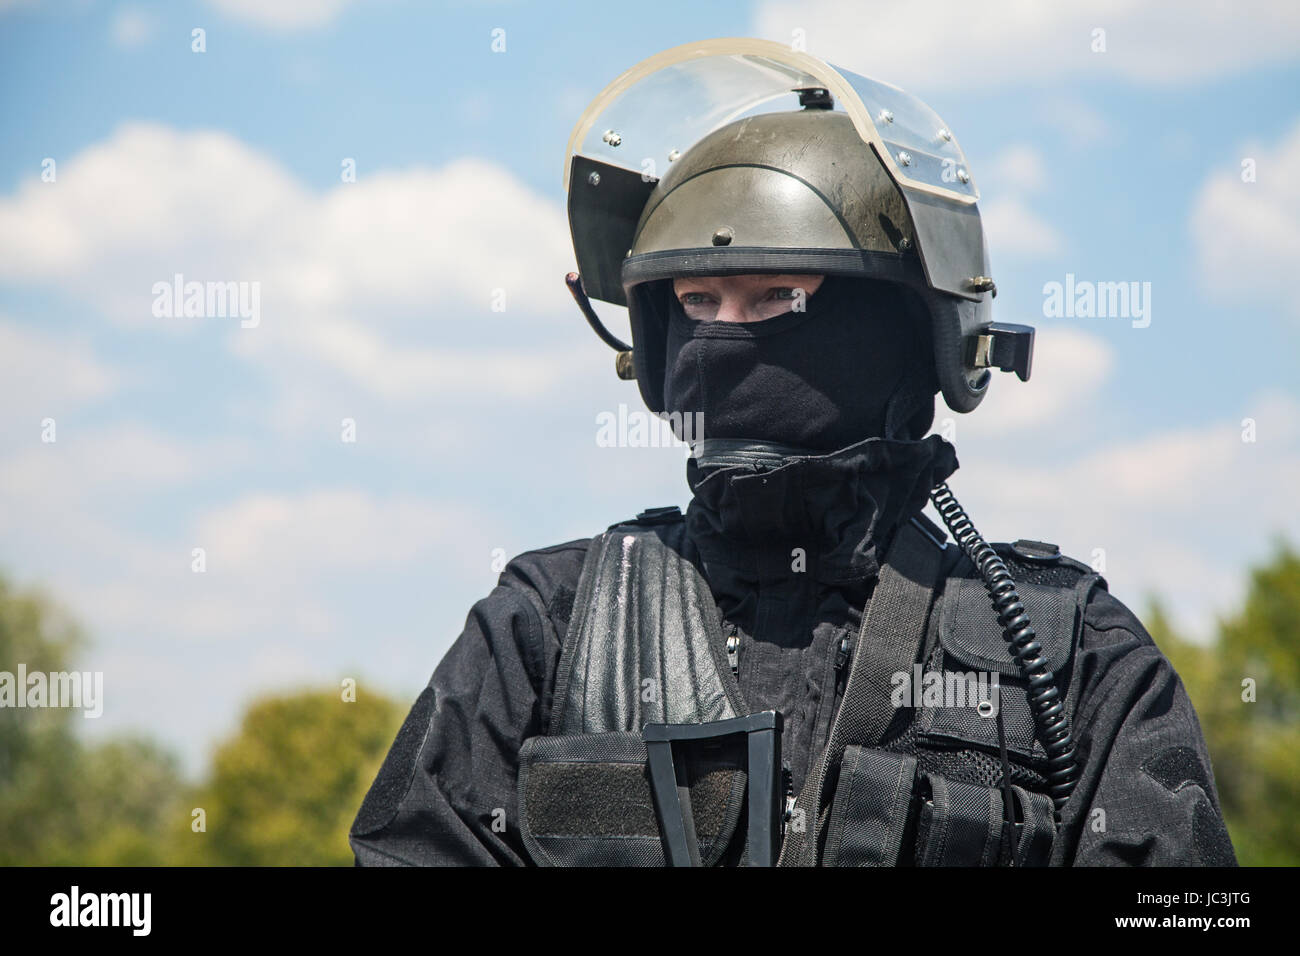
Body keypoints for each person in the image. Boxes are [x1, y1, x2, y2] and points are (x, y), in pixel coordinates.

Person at [349, 39, 1235, 867]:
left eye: (777, 296)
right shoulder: (545, 628)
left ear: (901, 331)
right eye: (697, 302)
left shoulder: (1062, 645)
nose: (726, 334)